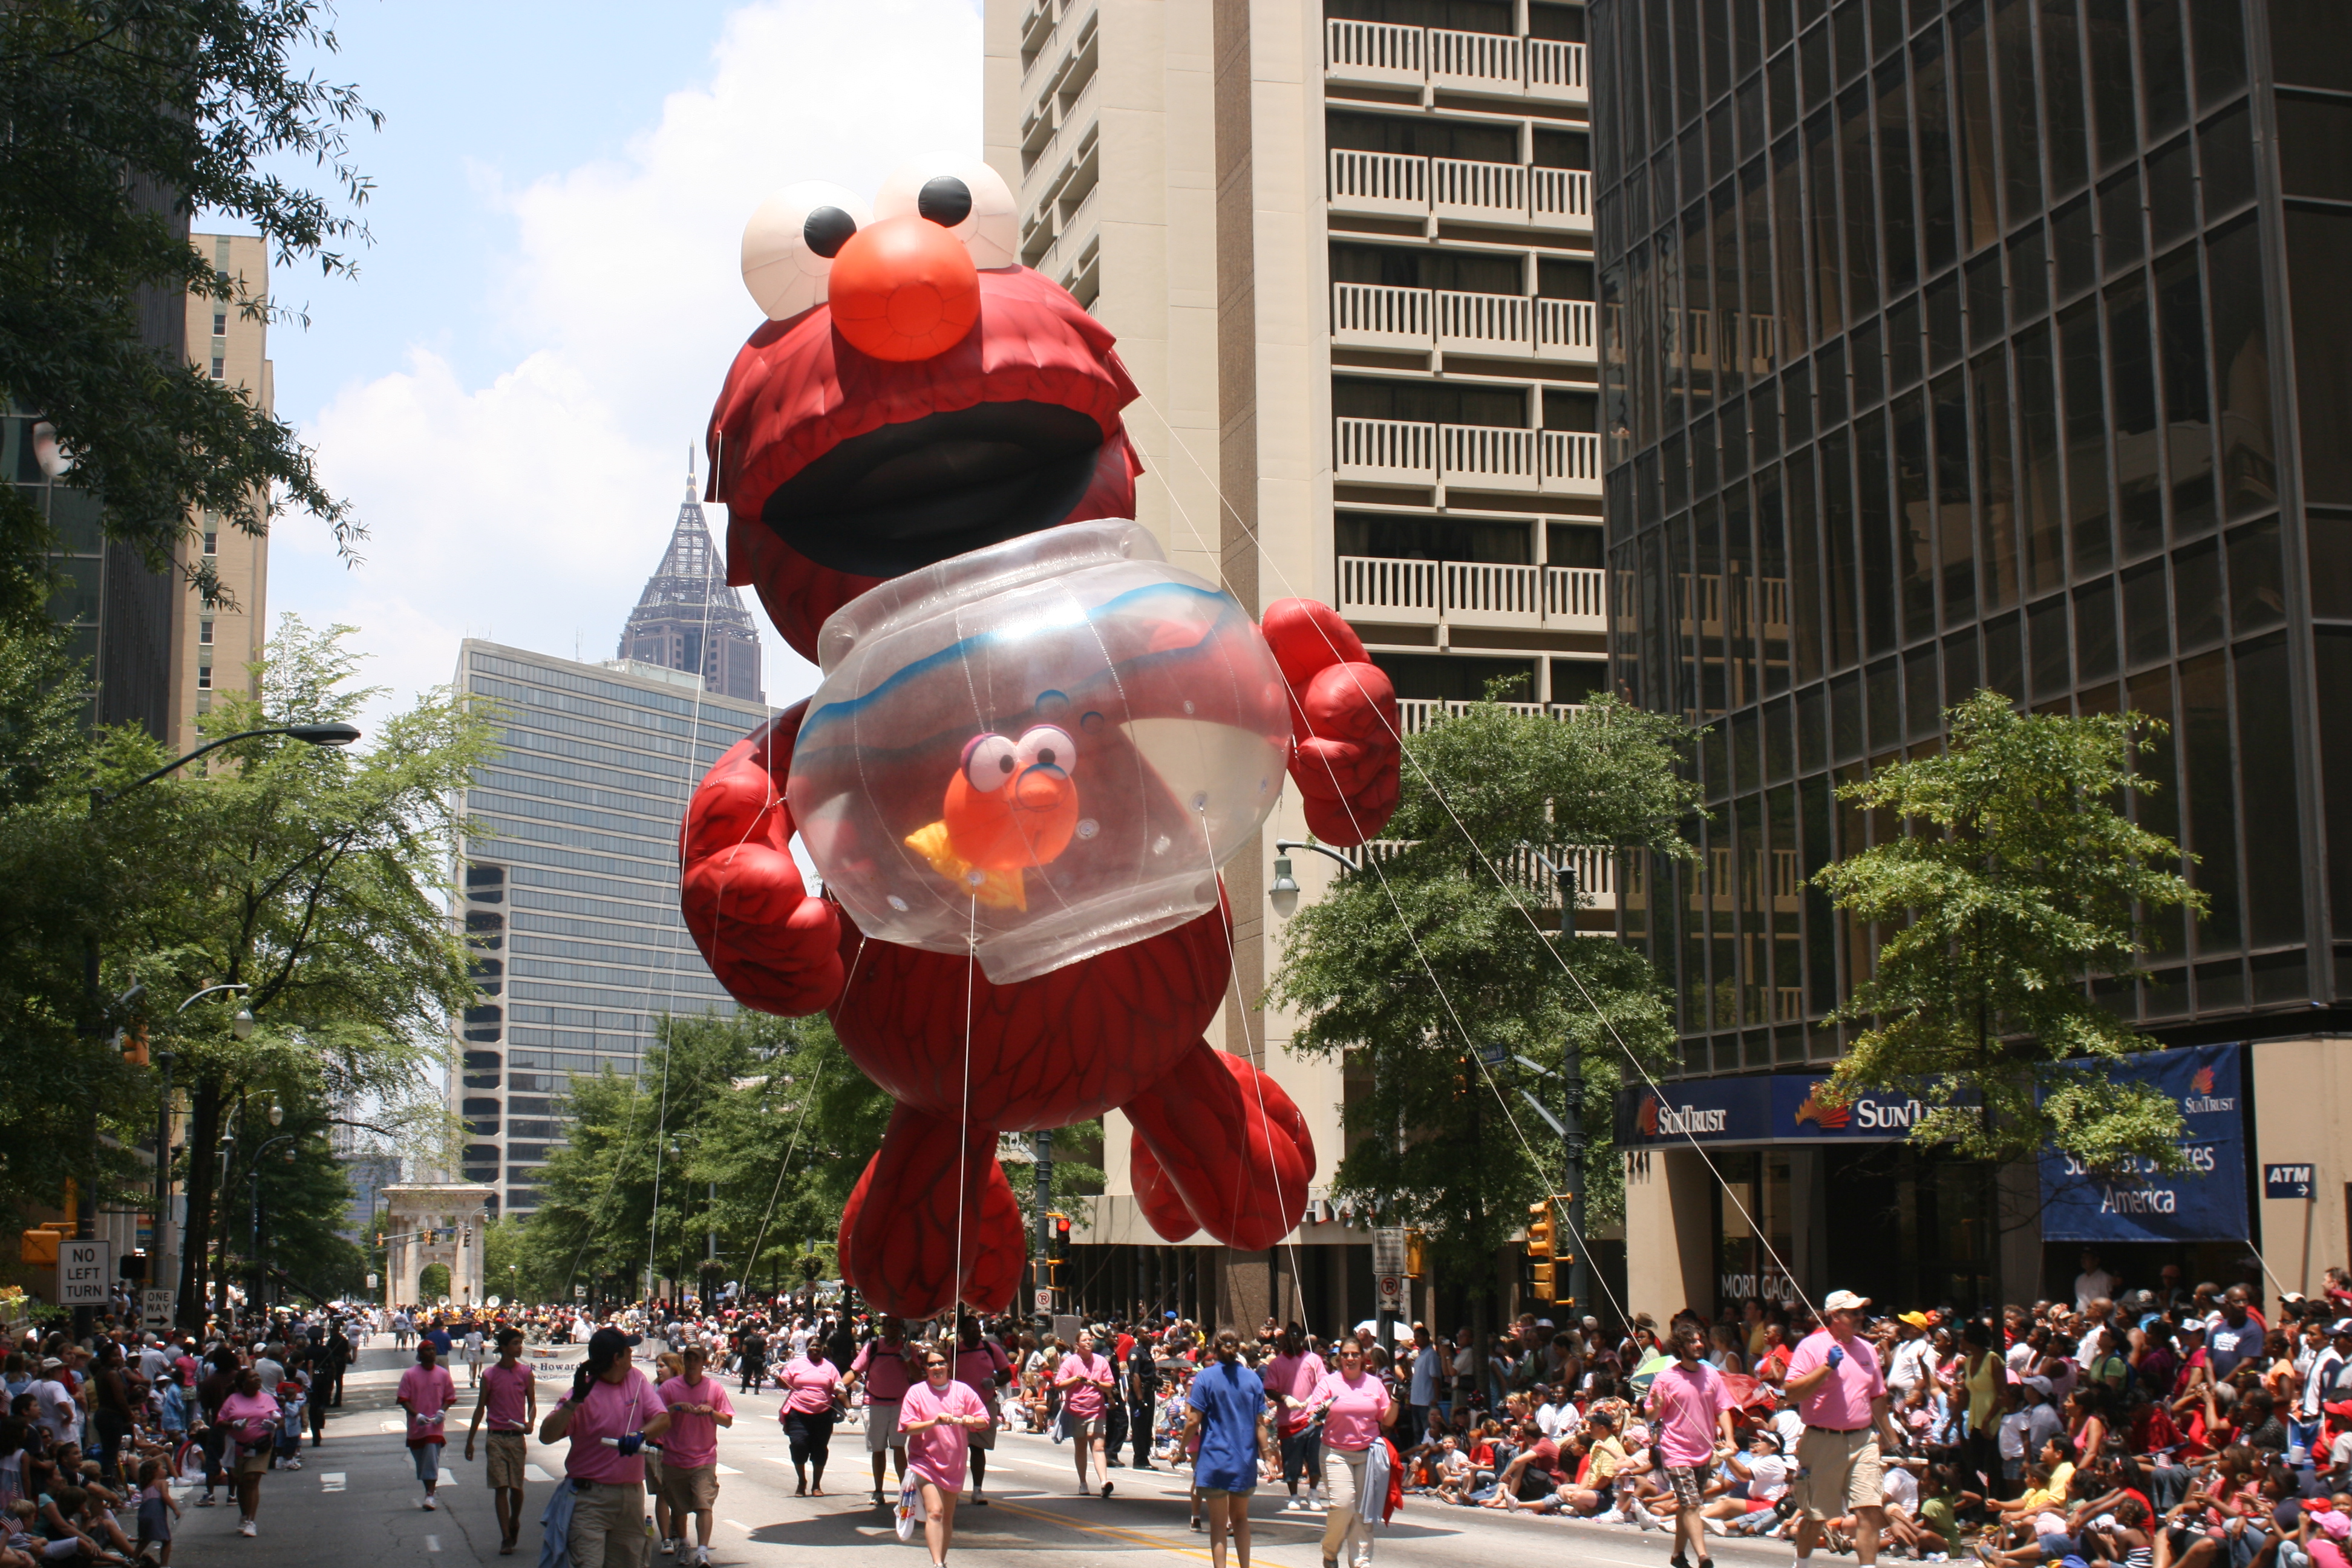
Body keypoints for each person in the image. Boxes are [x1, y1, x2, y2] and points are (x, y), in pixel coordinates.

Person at [1785, 1290, 1906, 1568]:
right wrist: (1826, 1367)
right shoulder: (1811, 1347)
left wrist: (1893, 1438)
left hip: (1863, 1440)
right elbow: (1791, 1394)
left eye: (1861, 1312)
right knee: (1816, 1516)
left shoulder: (1867, 1350)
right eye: (1853, 1312)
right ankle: (1800, 1565)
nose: (1860, 1317)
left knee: (1870, 1512)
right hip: (1822, 1440)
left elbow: (1877, 1398)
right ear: (1835, 1316)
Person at [539, 1326, 673, 1568]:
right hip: (590, 1501)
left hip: (630, 1498)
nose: (632, 1356)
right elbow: (546, 1436)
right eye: (628, 1351)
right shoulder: (583, 1392)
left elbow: (663, 1419)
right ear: (616, 1358)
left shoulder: (636, 1379)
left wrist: (640, 1434)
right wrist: (575, 1401)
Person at [1647, 1321, 1737, 1568]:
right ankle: (1704, 1557)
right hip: (1676, 1451)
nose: (1699, 1344)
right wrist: (1656, 1408)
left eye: (1700, 1340)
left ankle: (1678, 1555)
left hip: (1704, 1451)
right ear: (1680, 1346)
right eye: (1692, 1341)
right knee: (1692, 1504)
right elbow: (1650, 1417)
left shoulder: (1711, 1375)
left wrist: (1729, 1438)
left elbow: (1723, 1409)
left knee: (1688, 1505)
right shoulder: (1665, 1379)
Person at [1185, 1330, 1273, 1568]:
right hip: (1243, 1460)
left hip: (1214, 1459)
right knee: (1241, 1519)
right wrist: (1268, 1457)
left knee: (1218, 1523)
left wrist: (1180, 1449)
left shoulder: (1205, 1378)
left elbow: (1193, 1420)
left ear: (1214, 1348)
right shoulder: (1253, 1379)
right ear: (1239, 1348)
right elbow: (1260, 1424)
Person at [1305, 1339, 1396, 1568]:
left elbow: (1387, 1421)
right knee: (1344, 1505)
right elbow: (1312, 1418)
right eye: (1345, 1354)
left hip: (1368, 1454)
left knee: (1362, 1514)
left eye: (1355, 1354)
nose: (1350, 1358)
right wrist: (1319, 1413)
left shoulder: (1374, 1384)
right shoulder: (1329, 1383)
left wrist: (1396, 1399)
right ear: (1339, 1358)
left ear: (1363, 1357)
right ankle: (1330, 1551)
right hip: (1336, 1453)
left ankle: (1361, 1563)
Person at [899, 1344, 990, 1568]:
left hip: (954, 1464)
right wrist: (934, 1422)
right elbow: (908, 1427)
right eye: (931, 1364)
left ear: (949, 1366)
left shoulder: (963, 1391)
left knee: (947, 1517)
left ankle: (942, 1559)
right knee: (936, 1512)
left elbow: (984, 1420)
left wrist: (970, 1420)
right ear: (925, 1368)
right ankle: (937, 1564)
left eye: (941, 1363)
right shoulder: (917, 1392)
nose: (937, 1367)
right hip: (925, 1463)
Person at [655, 1345, 734, 1568]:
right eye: (688, 1359)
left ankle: (702, 1551)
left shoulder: (714, 1388)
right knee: (679, 1509)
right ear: (683, 1361)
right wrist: (675, 1407)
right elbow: (655, 1416)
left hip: (704, 1458)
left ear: (704, 1363)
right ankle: (684, 1544)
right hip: (674, 1458)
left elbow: (727, 1421)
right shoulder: (670, 1388)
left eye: (696, 1359)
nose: (692, 1363)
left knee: (704, 1504)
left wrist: (712, 1412)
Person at [463, 1328, 537, 1557]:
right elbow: (480, 1409)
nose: (519, 1347)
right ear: (504, 1347)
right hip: (496, 1437)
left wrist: (530, 1422)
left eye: (520, 1344)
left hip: (516, 1439)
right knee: (500, 1487)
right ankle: (505, 1535)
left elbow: (532, 1404)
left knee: (517, 1487)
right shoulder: (490, 1376)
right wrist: (470, 1441)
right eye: (515, 1344)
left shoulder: (525, 1373)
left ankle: (514, 1520)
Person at [849, 1316, 914, 1508]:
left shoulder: (908, 1350)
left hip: (900, 1405)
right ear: (883, 1328)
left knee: (899, 1447)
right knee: (878, 1449)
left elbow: (918, 1376)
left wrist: (909, 1360)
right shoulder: (873, 1348)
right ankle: (878, 1491)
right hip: (874, 1403)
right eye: (890, 1326)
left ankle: (905, 1493)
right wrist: (838, 1385)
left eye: (897, 1326)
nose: (893, 1330)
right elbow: (855, 1370)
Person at [217, 1366, 281, 1539]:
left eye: (258, 1376)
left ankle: (251, 1522)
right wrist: (233, 1425)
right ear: (244, 1383)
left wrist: (275, 1424)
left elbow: (279, 1417)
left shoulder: (267, 1399)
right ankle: (244, 1515)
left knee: (252, 1480)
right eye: (253, 1377)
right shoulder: (233, 1399)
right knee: (242, 1483)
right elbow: (220, 1421)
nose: (258, 1379)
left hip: (260, 1446)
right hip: (237, 1447)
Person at [953, 1316, 1011, 1504]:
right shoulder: (953, 1352)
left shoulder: (990, 1349)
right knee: (955, 1449)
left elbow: (1007, 1373)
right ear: (961, 1333)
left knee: (978, 1449)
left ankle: (977, 1490)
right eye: (969, 1328)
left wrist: (994, 1382)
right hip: (958, 1408)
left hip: (984, 1406)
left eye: (976, 1327)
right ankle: (952, 1488)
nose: (975, 1331)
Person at [777, 1335, 845, 1497]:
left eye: (819, 1347)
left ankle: (816, 1485)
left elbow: (839, 1390)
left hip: (823, 1415)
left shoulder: (830, 1368)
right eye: (812, 1346)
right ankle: (802, 1481)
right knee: (798, 1445)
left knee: (820, 1449)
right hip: (798, 1412)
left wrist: (849, 1410)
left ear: (823, 1349)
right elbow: (783, 1382)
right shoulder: (796, 1365)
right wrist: (777, 1378)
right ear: (807, 1348)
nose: (815, 1349)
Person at [1055, 1328, 1117, 1498]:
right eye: (1084, 1341)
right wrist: (1076, 1379)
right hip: (1076, 1410)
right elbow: (1059, 1384)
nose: (1088, 1343)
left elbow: (1109, 1386)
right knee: (1081, 1446)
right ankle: (1083, 1482)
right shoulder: (1070, 1362)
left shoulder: (1101, 1362)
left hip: (1097, 1410)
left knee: (1098, 1447)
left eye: (1090, 1340)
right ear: (1077, 1345)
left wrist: (1097, 1383)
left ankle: (1104, 1483)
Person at [398, 1339, 459, 1512]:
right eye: (428, 1350)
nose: (432, 1353)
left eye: (434, 1349)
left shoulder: (443, 1374)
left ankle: (430, 1496)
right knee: (423, 1463)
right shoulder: (410, 1375)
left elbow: (450, 1397)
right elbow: (403, 1399)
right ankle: (428, 1491)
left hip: (434, 1426)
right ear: (421, 1354)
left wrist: (442, 1411)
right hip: (417, 1427)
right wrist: (416, 1415)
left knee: (431, 1460)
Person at [134, 1455, 178, 1566]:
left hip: (143, 1514)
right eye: (162, 1468)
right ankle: (164, 1565)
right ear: (155, 1472)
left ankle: (132, 1560)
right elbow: (165, 1496)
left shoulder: (146, 1485)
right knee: (166, 1541)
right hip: (156, 1515)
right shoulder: (162, 1483)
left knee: (144, 1541)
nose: (165, 1470)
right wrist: (175, 1509)